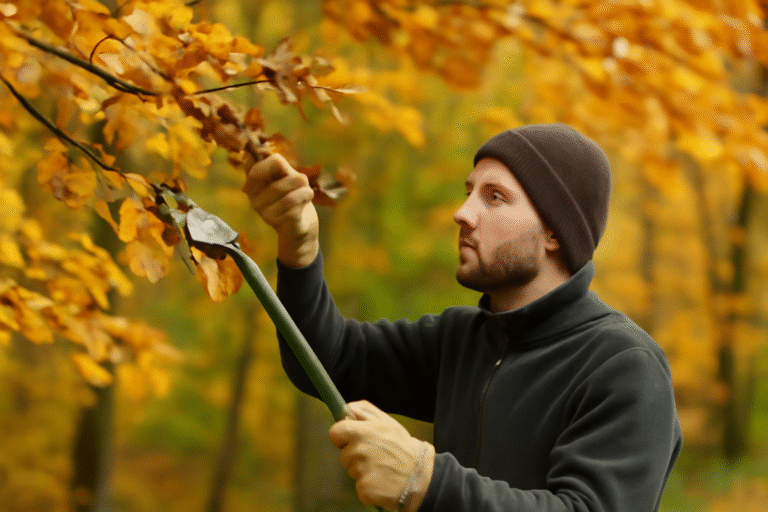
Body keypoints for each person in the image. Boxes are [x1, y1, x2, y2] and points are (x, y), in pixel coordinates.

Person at [243, 123, 683, 512]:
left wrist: (426, 482)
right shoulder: (461, 340)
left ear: (553, 232)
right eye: (469, 191)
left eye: (494, 198)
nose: (464, 213)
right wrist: (299, 250)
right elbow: (326, 360)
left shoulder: (624, 365)